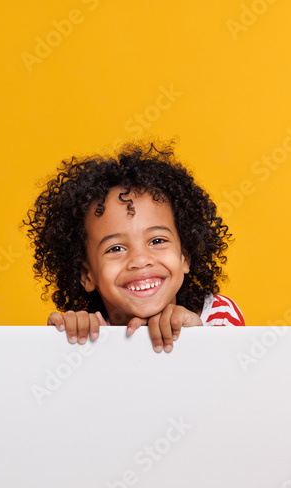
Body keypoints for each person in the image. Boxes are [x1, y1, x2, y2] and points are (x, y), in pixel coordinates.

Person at [25, 141, 243, 353]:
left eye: (157, 241)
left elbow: (234, 386)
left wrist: (198, 340)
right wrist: (70, 346)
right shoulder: (87, 334)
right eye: (116, 248)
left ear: (184, 256)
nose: (140, 260)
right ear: (86, 274)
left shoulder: (219, 315)